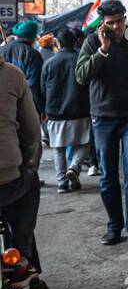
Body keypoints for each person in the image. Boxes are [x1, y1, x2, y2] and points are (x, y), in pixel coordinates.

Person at [75, 0, 128, 251]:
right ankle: (114, 226)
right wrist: (102, 50)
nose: (116, 26)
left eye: (119, 20)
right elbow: (81, 76)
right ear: (103, 23)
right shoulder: (92, 42)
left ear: (124, 18)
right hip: (103, 119)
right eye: (110, 23)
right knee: (108, 176)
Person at [0, 45, 52, 289]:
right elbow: (32, 133)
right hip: (7, 180)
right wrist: (27, 162)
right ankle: (24, 264)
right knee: (28, 183)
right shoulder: (12, 75)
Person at [42, 27, 91, 192]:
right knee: (84, 143)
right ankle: (75, 167)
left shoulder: (49, 63)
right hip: (80, 110)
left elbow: (43, 89)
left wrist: (45, 109)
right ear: (75, 41)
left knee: (58, 148)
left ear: (58, 43)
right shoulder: (80, 60)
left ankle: (62, 183)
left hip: (55, 113)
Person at [1, 20, 45, 116]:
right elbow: (33, 85)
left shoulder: (2, 50)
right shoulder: (33, 54)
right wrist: (40, 107)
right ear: (32, 38)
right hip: (26, 106)